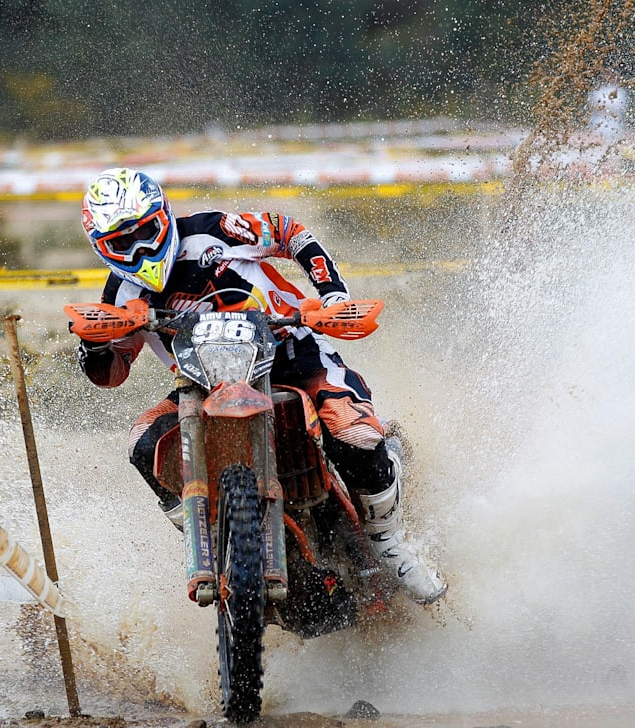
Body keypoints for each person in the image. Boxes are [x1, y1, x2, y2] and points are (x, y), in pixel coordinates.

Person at [74, 167, 446, 605]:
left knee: (354, 432)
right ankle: (203, 537)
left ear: (164, 216)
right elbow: (112, 373)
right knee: (143, 441)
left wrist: (331, 295)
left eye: (146, 232)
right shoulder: (118, 293)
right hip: (202, 384)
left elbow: (290, 232)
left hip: (292, 353)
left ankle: (389, 539)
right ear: (104, 248)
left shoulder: (212, 231)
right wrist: (93, 346)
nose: (138, 248)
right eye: (121, 243)